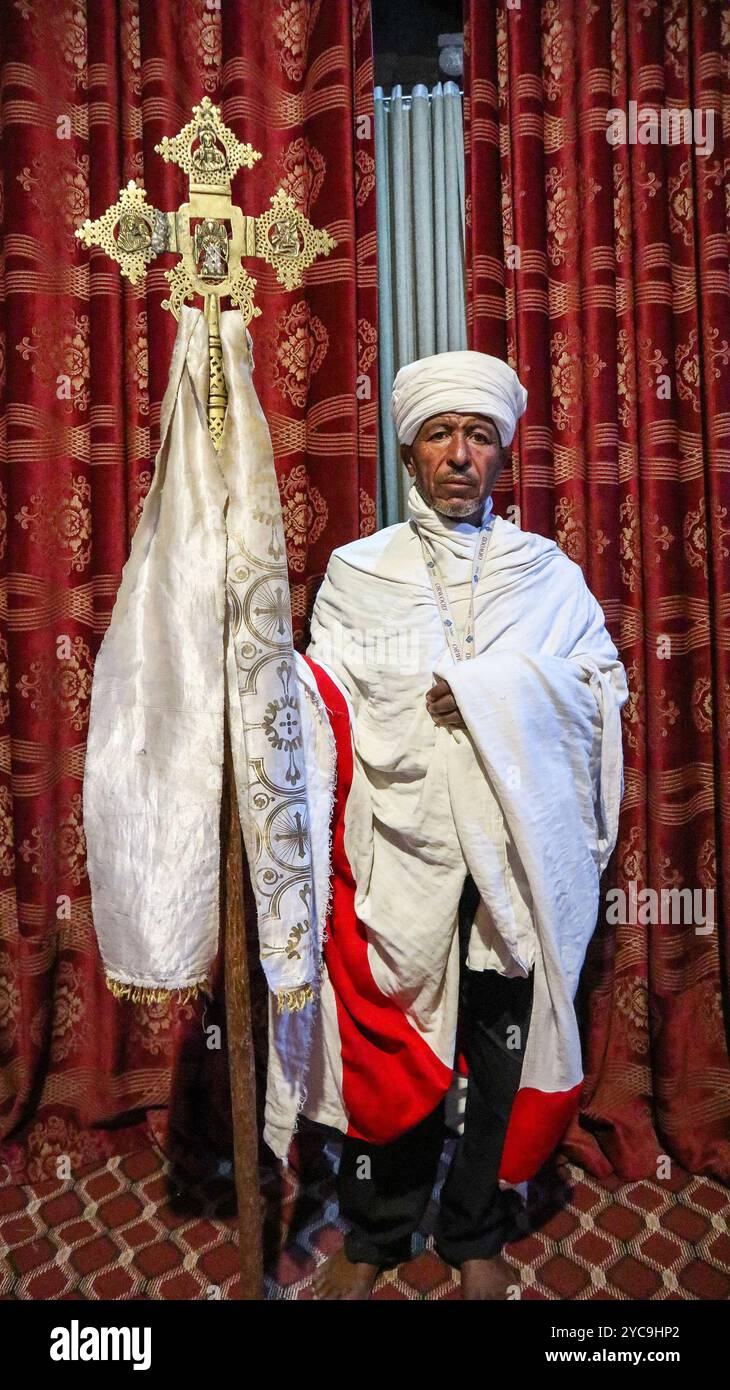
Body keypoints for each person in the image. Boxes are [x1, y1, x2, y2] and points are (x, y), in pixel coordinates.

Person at [263, 350, 629, 1300]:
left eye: (478, 436)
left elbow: (601, 685)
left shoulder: (546, 574)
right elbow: (327, 697)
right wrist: (266, 681)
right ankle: (379, 1234)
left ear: (501, 455)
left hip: (511, 850)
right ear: (410, 454)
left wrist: (494, 692)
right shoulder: (357, 572)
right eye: (440, 436)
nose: (460, 455)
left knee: (501, 1038)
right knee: (396, 1039)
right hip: (401, 847)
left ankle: (472, 1230)